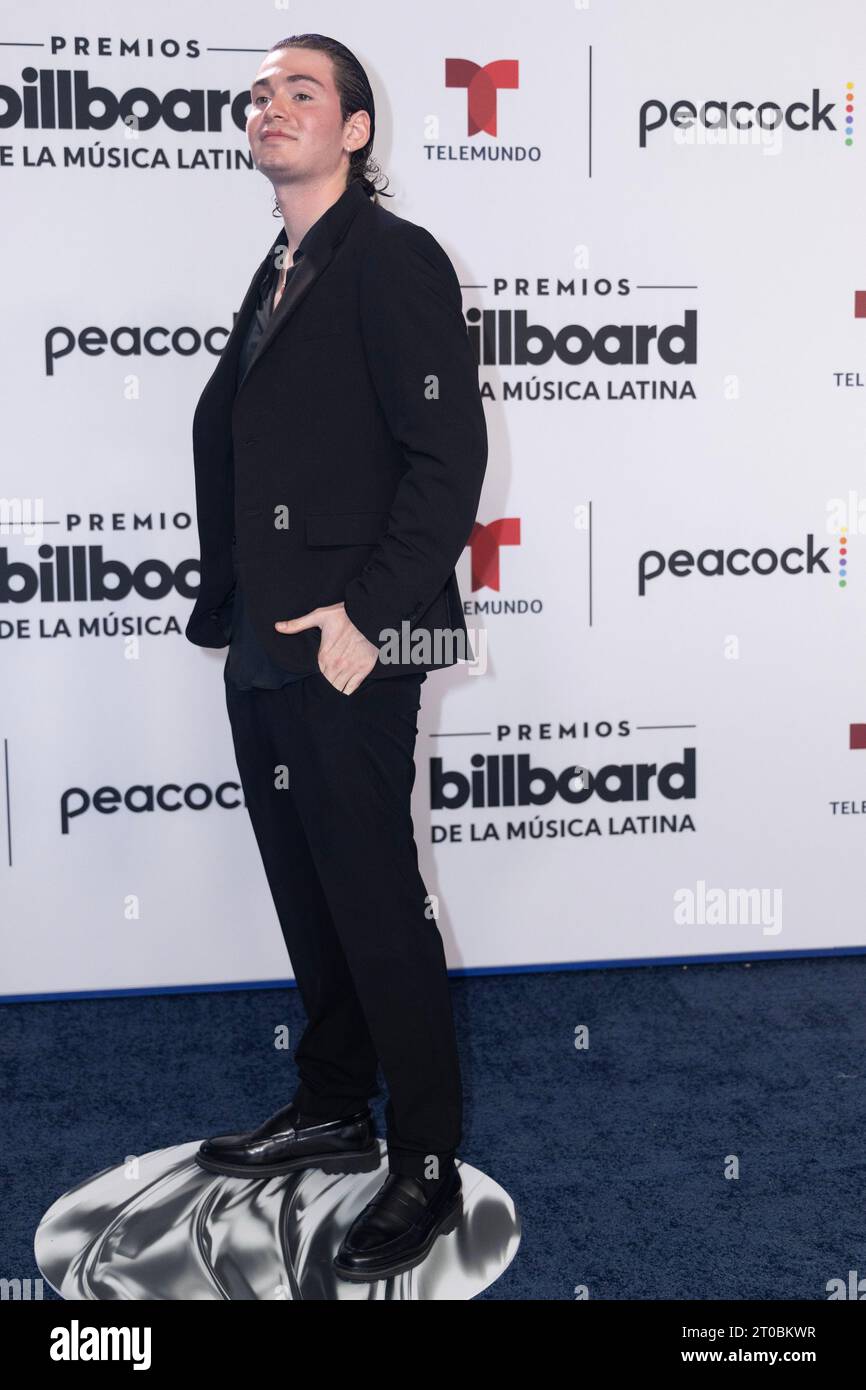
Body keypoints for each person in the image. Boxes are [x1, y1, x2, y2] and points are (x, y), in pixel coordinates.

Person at [185, 32, 488, 1283]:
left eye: (301, 91)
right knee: (310, 893)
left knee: (376, 902)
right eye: (261, 93)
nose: (272, 106)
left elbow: (445, 465)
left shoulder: (393, 259)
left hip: (353, 642)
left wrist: (365, 620)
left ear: (357, 131)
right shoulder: (279, 267)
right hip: (266, 637)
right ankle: (328, 1100)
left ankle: (422, 1159)